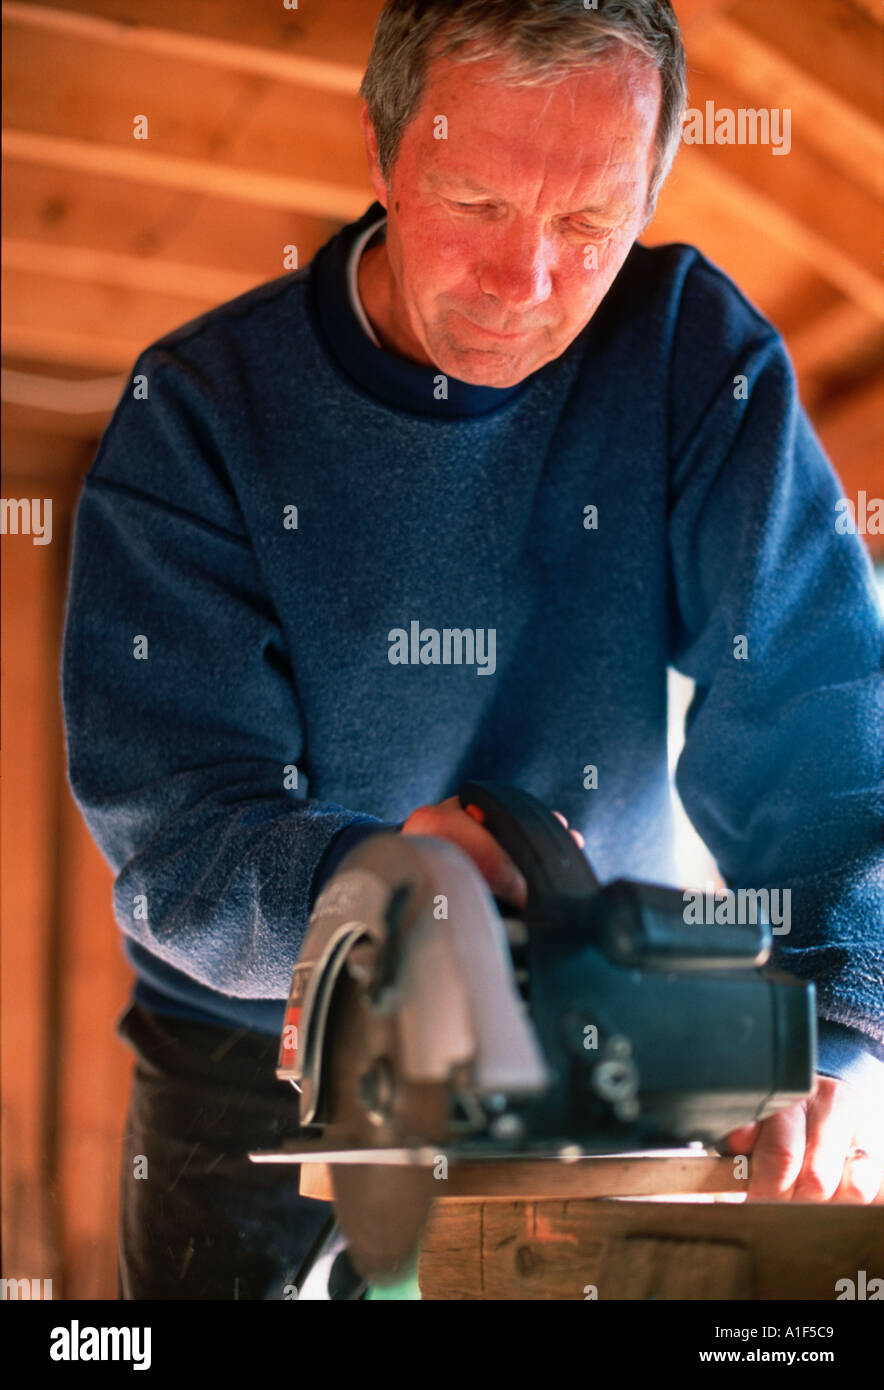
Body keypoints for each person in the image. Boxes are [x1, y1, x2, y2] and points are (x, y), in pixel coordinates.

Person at [60, 0, 884, 1300]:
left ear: (650, 193)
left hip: (591, 1031)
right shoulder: (201, 418)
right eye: (478, 205)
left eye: (584, 225)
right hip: (256, 1044)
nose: (525, 285)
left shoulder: (691, 360)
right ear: (384, 158)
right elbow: (175, 840)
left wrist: (845, 1031)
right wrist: (385, 892)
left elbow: (823, 714)